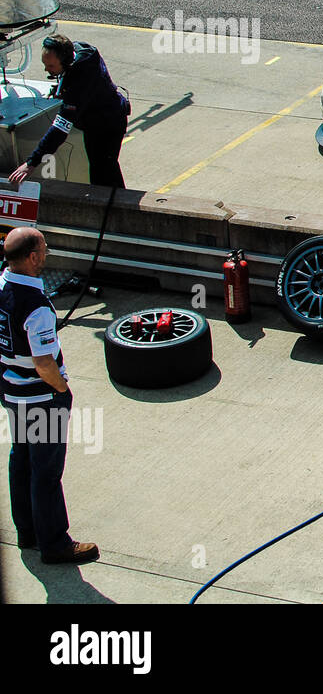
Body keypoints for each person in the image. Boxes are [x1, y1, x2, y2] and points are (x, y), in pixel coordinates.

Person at [0, 227, 98, 564]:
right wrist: (61, 390)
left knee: (21, 460)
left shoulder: (2, 285)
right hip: (41, 399)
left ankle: (27, 532)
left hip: (12, 392)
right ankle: (55, 544)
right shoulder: (37, 306)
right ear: (32, 257)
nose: (47, 254)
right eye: (44, 249)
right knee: (46, 472)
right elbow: (43, 363)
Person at [9, 35, 130, 189]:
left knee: (103, 172)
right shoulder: (81, 49)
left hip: (106, 125)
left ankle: (115, 206)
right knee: (102, 168)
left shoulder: (79, 82)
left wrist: (32, 162)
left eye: (51, 66)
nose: (46, 69)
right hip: (104, 115)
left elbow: (60, 129)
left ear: (66, 62)